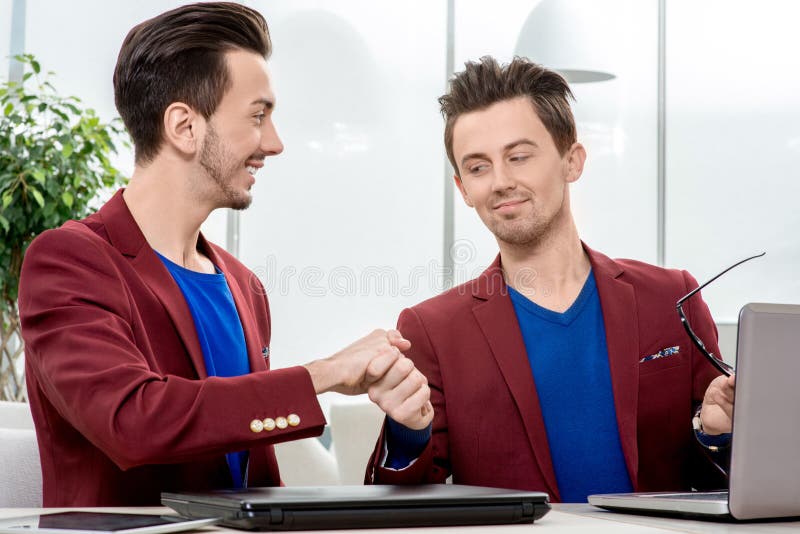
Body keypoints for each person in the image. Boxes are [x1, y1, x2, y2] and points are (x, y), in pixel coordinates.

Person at [18, 2, 432, 507]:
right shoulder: (68, 261)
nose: (274, 143)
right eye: (258, 116)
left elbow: (250, 479)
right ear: (184, 127)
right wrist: (324, 373)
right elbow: (133, 421)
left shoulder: (244, 286)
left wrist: (403, 425)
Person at [366, 56, 735, 503]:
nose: (501, 182)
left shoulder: (672, 298)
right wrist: (408, 437)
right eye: (479, 167)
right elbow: (398, 505)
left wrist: (720, 436)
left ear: (571, 161)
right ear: (463, 188)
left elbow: (725, 485)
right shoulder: (433, 332)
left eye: (519, 157)